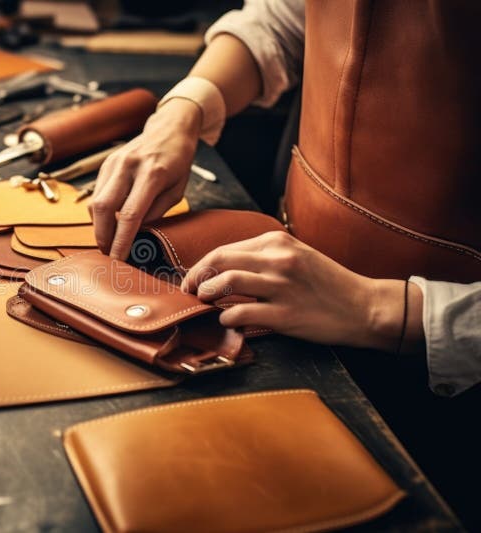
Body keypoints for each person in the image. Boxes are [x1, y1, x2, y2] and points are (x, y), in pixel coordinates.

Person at [90, 1, 480, 525]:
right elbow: (289, 15)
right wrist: (183, 110)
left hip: (449, 389)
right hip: (296, 301)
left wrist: (380, 308)